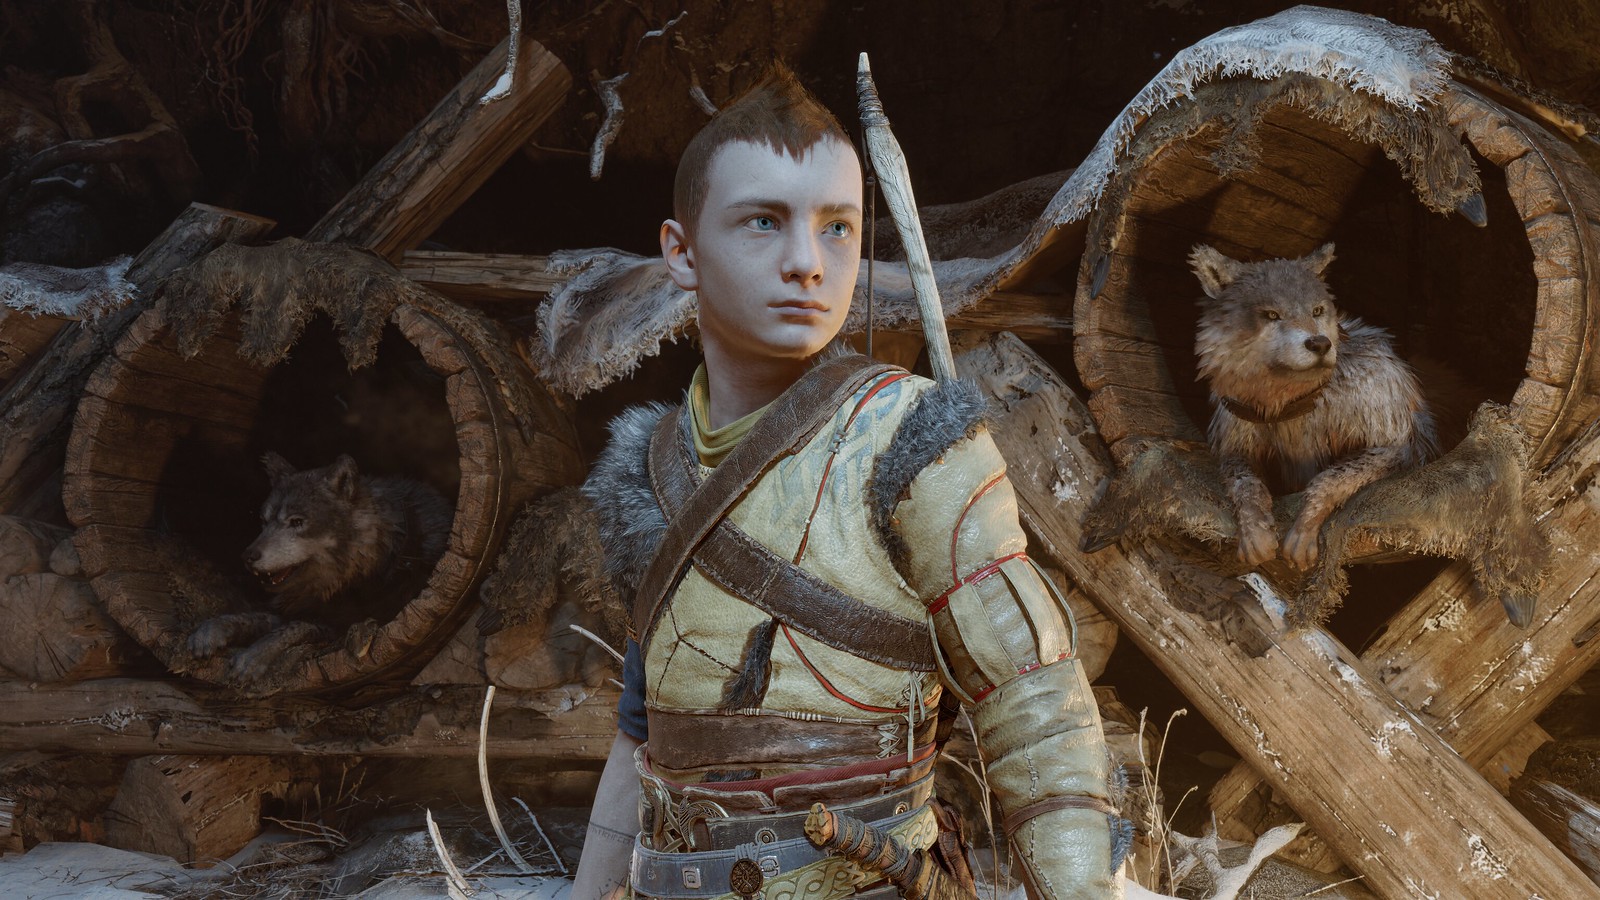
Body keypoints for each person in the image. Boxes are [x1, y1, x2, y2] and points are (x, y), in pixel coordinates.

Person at [571, 66, 1123, 900]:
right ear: (681, 253)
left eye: (837, 228)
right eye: (764, 222)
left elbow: (1037, 710)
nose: (807, 262)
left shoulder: (913, 442)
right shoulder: (649, 469)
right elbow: (641, 736)